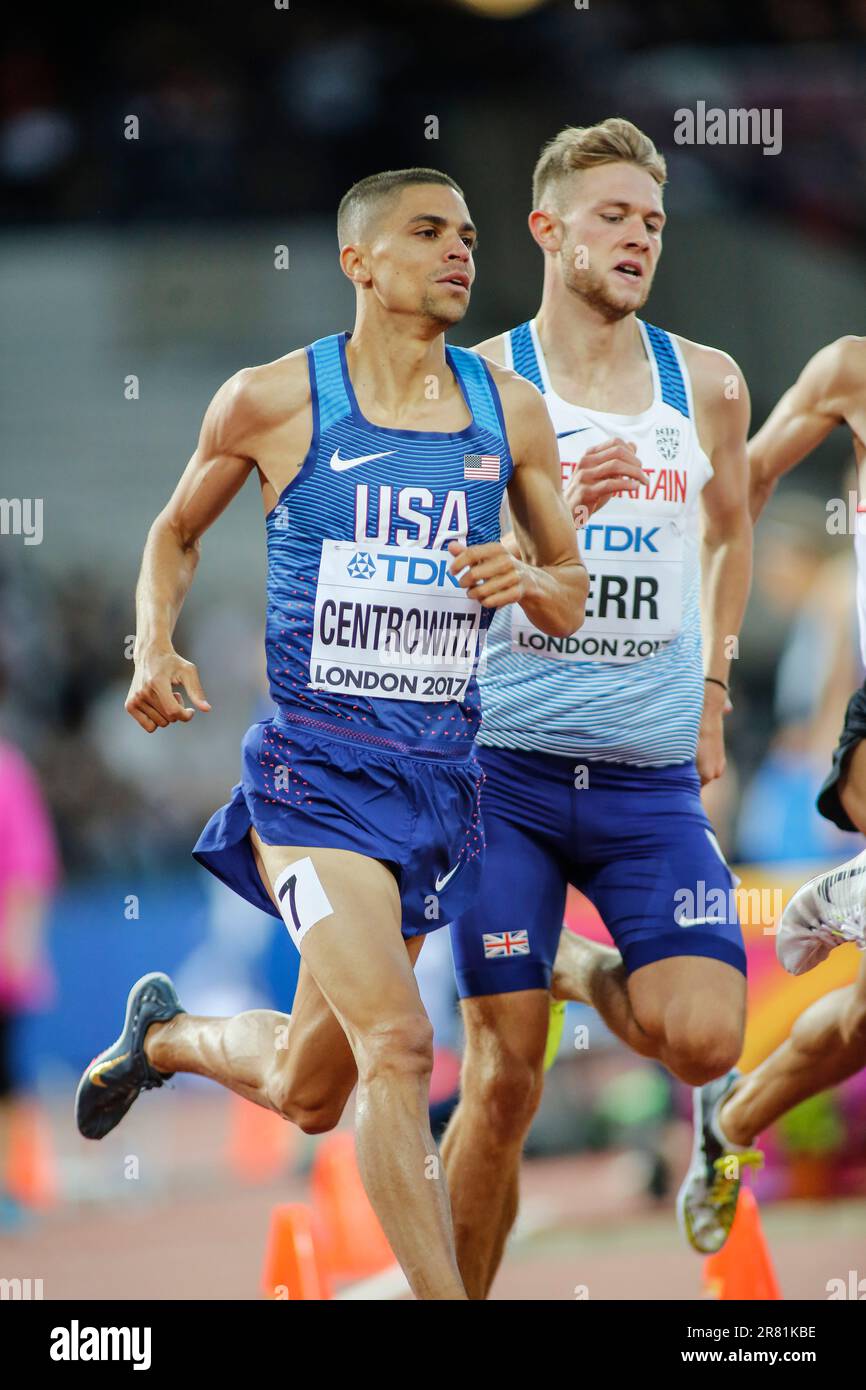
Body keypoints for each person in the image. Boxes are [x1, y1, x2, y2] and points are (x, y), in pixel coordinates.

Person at [74, 167, 587, 1301]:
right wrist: (151, 644)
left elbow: (571, 591)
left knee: (312, 1089)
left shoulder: (508, 410)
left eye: (465, 233)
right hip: (312, 782)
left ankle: (161, 1039)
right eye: (426, 232)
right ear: (358, 260)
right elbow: (172, 530)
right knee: (401, 1050)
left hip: (439, 789)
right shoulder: (274, 398)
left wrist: (528, 578)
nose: (458, 250)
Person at [442, 118, 753, 1299]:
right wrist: (545, 513)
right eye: (613, 216)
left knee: (705, 1038)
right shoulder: (477, 386)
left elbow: (728, 534)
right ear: (545, 228)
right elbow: (438, 575)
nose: (637, 238)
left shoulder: (706, 382)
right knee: (505, 1078)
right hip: (506, 776)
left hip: (643, 782)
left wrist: (714, 686)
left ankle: (575, 970)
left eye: (654, 223)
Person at [679, 334, 866, 1253]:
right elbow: (736, 490)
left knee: (862, 1021)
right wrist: (694, 639)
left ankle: (732, 1120)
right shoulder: (848, 371)